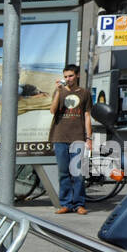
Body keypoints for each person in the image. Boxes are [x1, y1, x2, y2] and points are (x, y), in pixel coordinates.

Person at [48, 63, 93, 215]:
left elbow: (87, 115)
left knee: (78, 172)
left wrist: (89, 137)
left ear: (77, 75)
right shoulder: (59, 91)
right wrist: (57, 92)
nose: (68, 79)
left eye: (71, 76)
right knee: (63, 172)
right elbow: (53, 110)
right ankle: (66, 203)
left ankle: (79, 203)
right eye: (66, 76)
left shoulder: (84, 93)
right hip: (60, 136)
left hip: (78, 137)